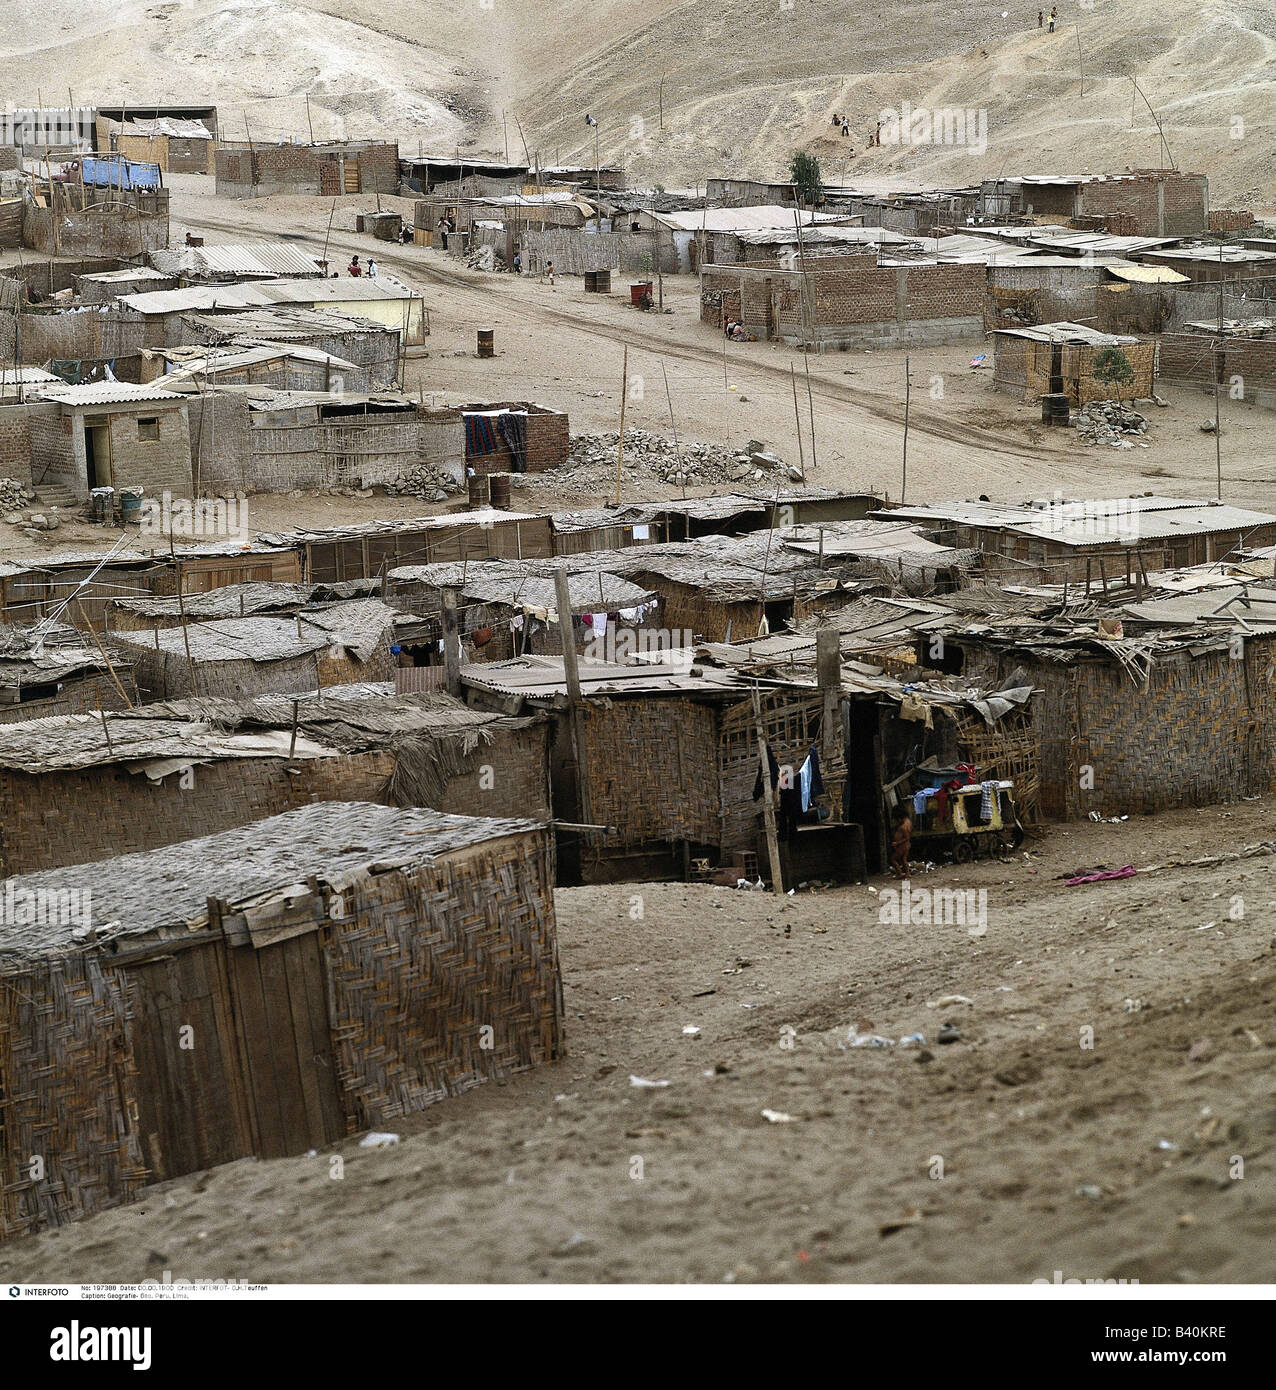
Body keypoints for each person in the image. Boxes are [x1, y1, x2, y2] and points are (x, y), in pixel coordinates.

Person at [890, 807, 913, 880]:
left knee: (893, 859)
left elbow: (907, 837)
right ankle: (907, 873)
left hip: (902, 846)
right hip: (906, 845)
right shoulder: (908, 822)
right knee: (904, 859)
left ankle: (900, 873)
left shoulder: (903, 827)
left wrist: (897, 843)